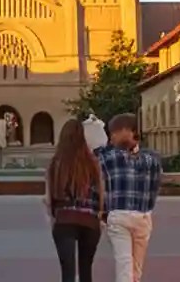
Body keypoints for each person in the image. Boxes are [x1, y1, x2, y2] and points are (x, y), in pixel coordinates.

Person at [95, 113, 162, 282]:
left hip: (118, 215)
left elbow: (95, 155)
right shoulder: (152, 159)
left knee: (124, 263)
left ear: (125, 131)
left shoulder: (109, 158)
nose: (110, 139)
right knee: (136, 267)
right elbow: (154, 189)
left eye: (113, 133)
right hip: (143, 216)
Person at [44, 118, 104, 282]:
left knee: (68, 272)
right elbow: (101, 192)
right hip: (90, 221)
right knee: (86, 270)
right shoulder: (92, 162)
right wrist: (99, 215)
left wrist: (53, 218)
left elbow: (49, 199)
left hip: (64, 220)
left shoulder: (56, 163)